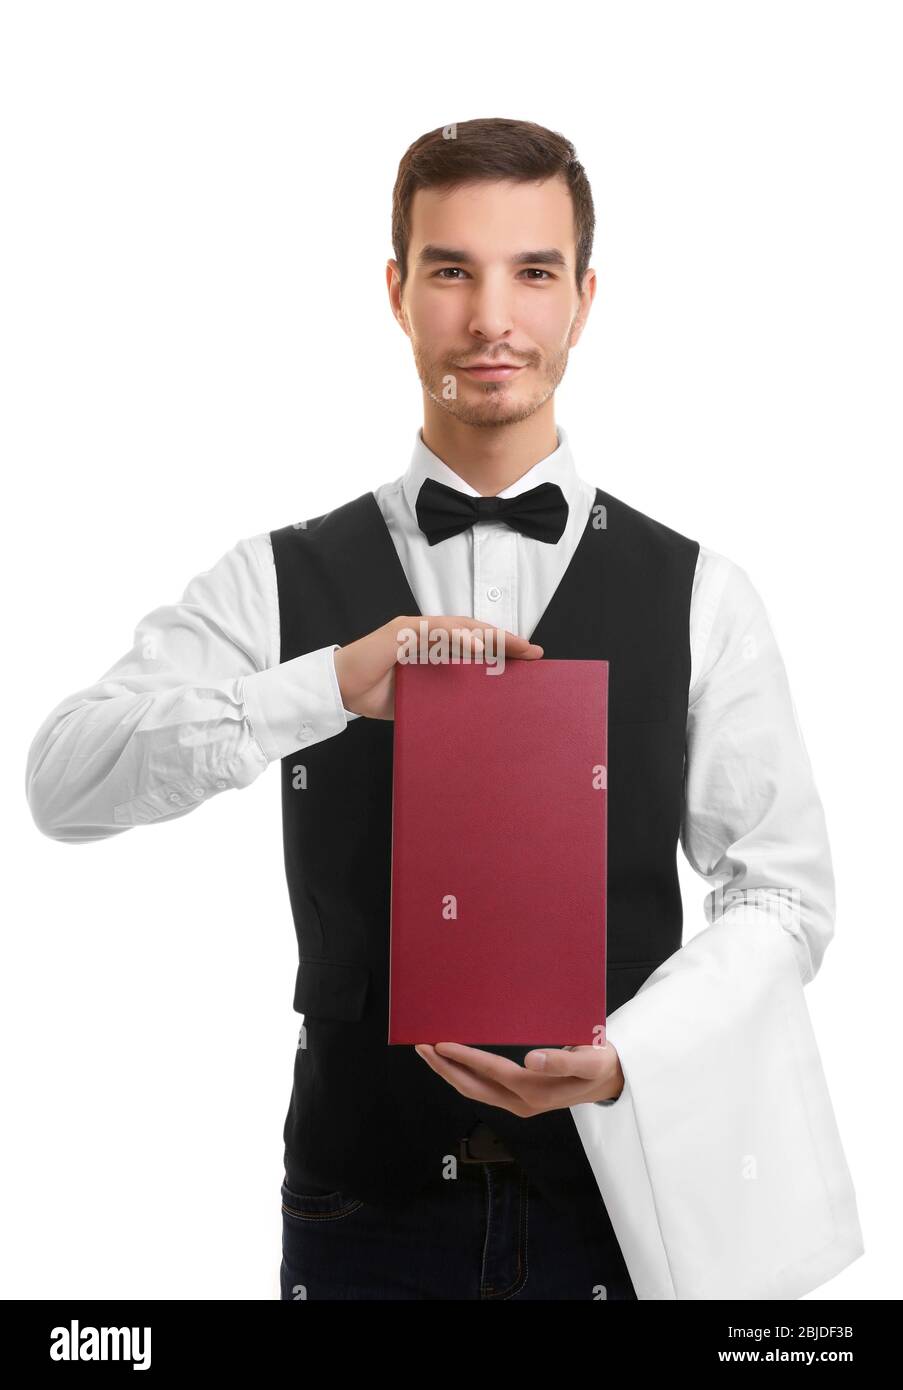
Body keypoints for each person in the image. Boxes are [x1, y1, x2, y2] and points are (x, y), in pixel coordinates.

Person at [25, 116, 862, 1300]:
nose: (491, 320)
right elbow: (62, 781)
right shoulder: (276, 577)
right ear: (397, 290)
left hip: (620, 1205)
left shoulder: (705, 595)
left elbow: (784, 892)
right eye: (451, 270)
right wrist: (321, 686)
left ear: (583, 296)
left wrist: (634, 1056)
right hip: (358, 1210)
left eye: (532, 271)